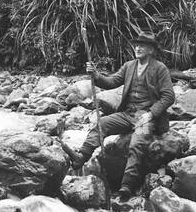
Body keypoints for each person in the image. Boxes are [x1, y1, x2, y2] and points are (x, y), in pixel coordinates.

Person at [70, 30, 176, 202]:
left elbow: (169, 96)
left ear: (151, 50)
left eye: (143, 45)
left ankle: (126, 186)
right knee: (102, 123)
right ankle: (81, 156)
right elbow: (111, 82)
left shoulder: (160, 69)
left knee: (136, 144)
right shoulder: (129, 66)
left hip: (146, 117)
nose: (138, 47)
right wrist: (95, 75)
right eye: (137, 44)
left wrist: (150, 114)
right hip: (127, 114)